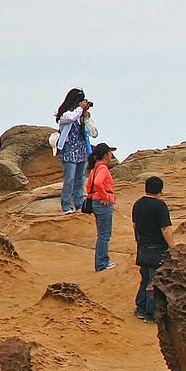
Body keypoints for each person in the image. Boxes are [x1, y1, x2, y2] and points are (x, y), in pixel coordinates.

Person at [130, 176, 174, 322]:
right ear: (160, 190)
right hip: (157, 249)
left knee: (145, 279)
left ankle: (140, 308)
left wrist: (138, 242)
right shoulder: (160, 206)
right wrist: (172, 247)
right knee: (154, 282)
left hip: (143, 247)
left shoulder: (138, 204)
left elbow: (135, 226)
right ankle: (150, 314)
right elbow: (165, 229)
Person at [54, 89, 94, 214]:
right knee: (69, 179)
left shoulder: (80, 115)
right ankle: (66, 205)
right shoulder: (65, 114)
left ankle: (79, 203)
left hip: (81, 150)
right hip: (69, 150)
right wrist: (80, 109)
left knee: (80, 179)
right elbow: (71, 117)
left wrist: (86, 118)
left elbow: (93, 132)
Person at [85, 143, 117, 272]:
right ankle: (102, 263)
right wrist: (104, 196)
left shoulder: (95, 168)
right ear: (105, 155)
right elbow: (98, 183)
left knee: (102, 234)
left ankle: (101, 262)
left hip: (95, 202)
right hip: (103, 203)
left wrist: (93, 196)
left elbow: (89, 186)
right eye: (110, 153)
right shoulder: (102, 168)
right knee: (104, 235)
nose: (111, 155)